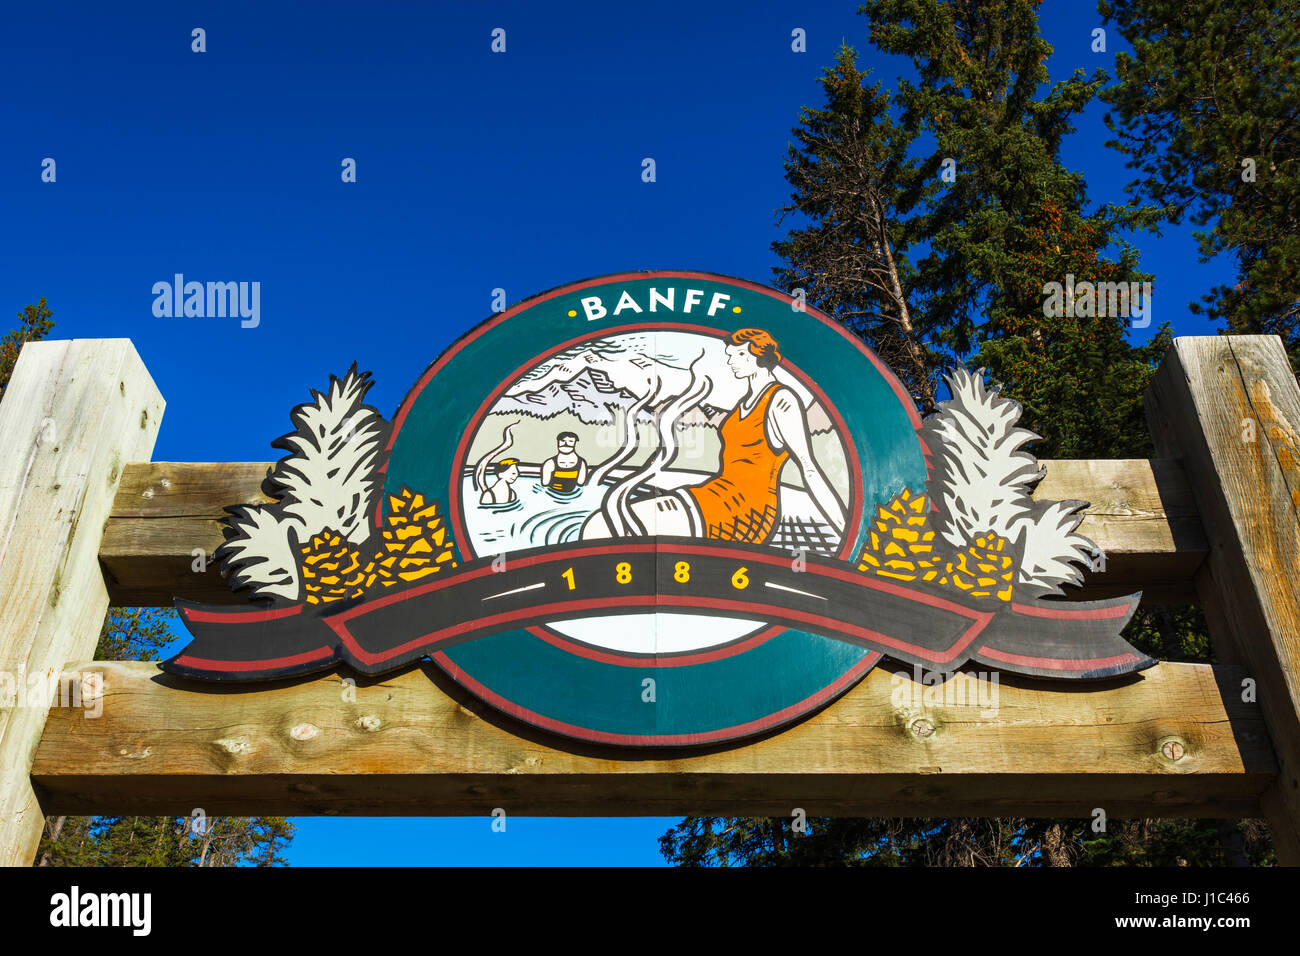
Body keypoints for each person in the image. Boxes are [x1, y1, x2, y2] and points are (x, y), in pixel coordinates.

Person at [583, 328, 846, 543]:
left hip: (746, 510)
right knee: (603, 522)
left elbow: (808, 467)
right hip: (714, 495)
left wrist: (844, 529)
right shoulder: (742, 403)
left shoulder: (781, 400)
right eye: (729, 355)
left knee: (604, 528)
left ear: (756, 356)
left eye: (737, 355)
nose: (730, 361)